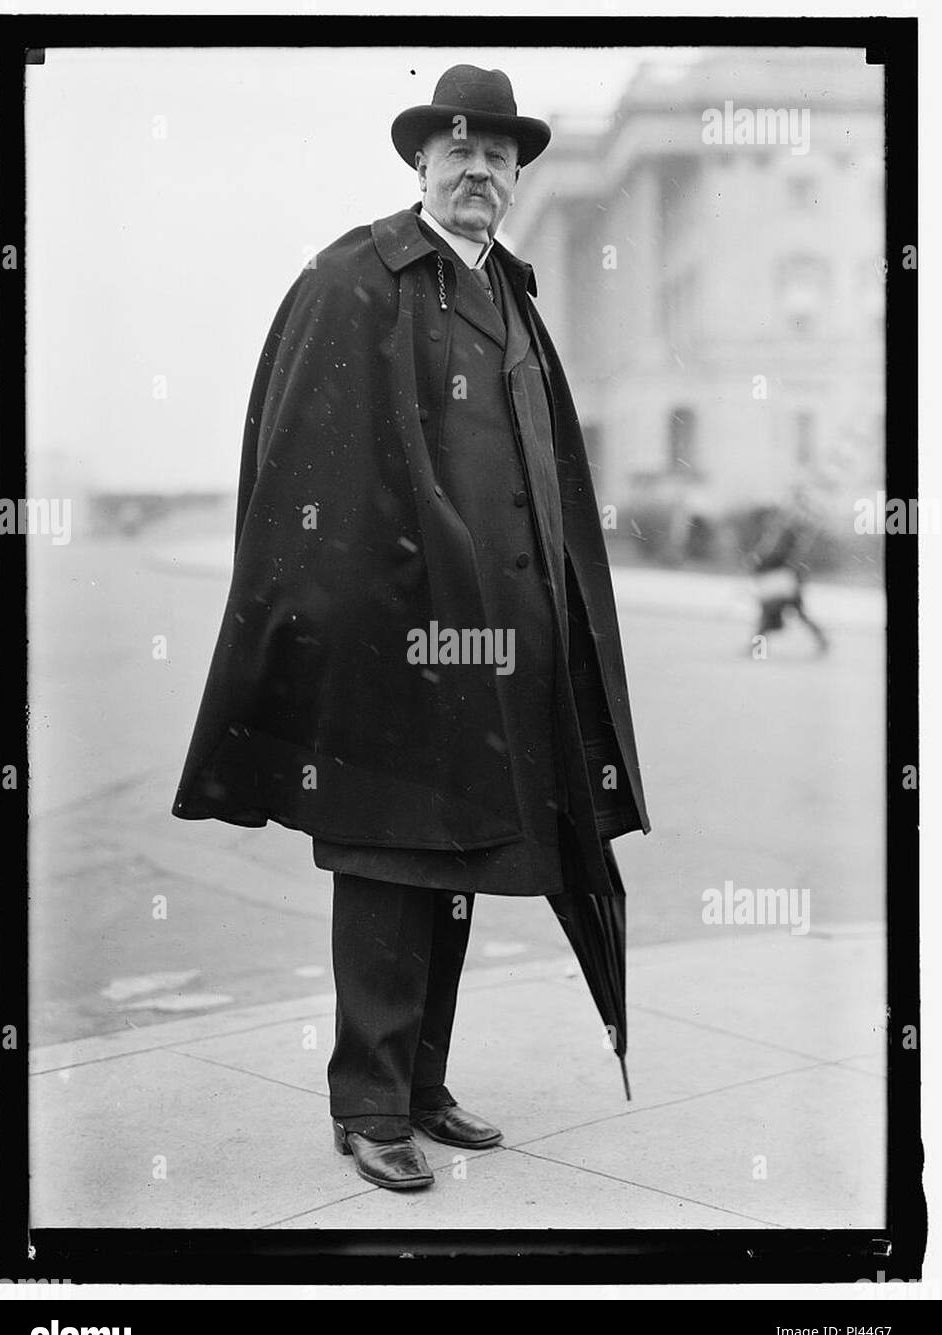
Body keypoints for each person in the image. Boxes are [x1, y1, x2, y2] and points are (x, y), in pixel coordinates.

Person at [173, 65, 650, 1191]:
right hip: (396, 650)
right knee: (390, 862)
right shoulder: (355, 277)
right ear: (418, 164)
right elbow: (307, 472)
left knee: (463, 861)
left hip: (501, 652)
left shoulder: (511, 295)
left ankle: (422, 1085)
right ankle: (368, 1104)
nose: (477, 168)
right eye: (456, 150)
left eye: (497, 154)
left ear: (516, 173)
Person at [748, 505, 829, 655]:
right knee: (793, 614)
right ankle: (822, 640)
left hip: (783, 583)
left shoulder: (784, 539)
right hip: (785, 583)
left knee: (769, 616)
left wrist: (760, 565)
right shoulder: (783, 538)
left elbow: (780, 559)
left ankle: (756, 648)